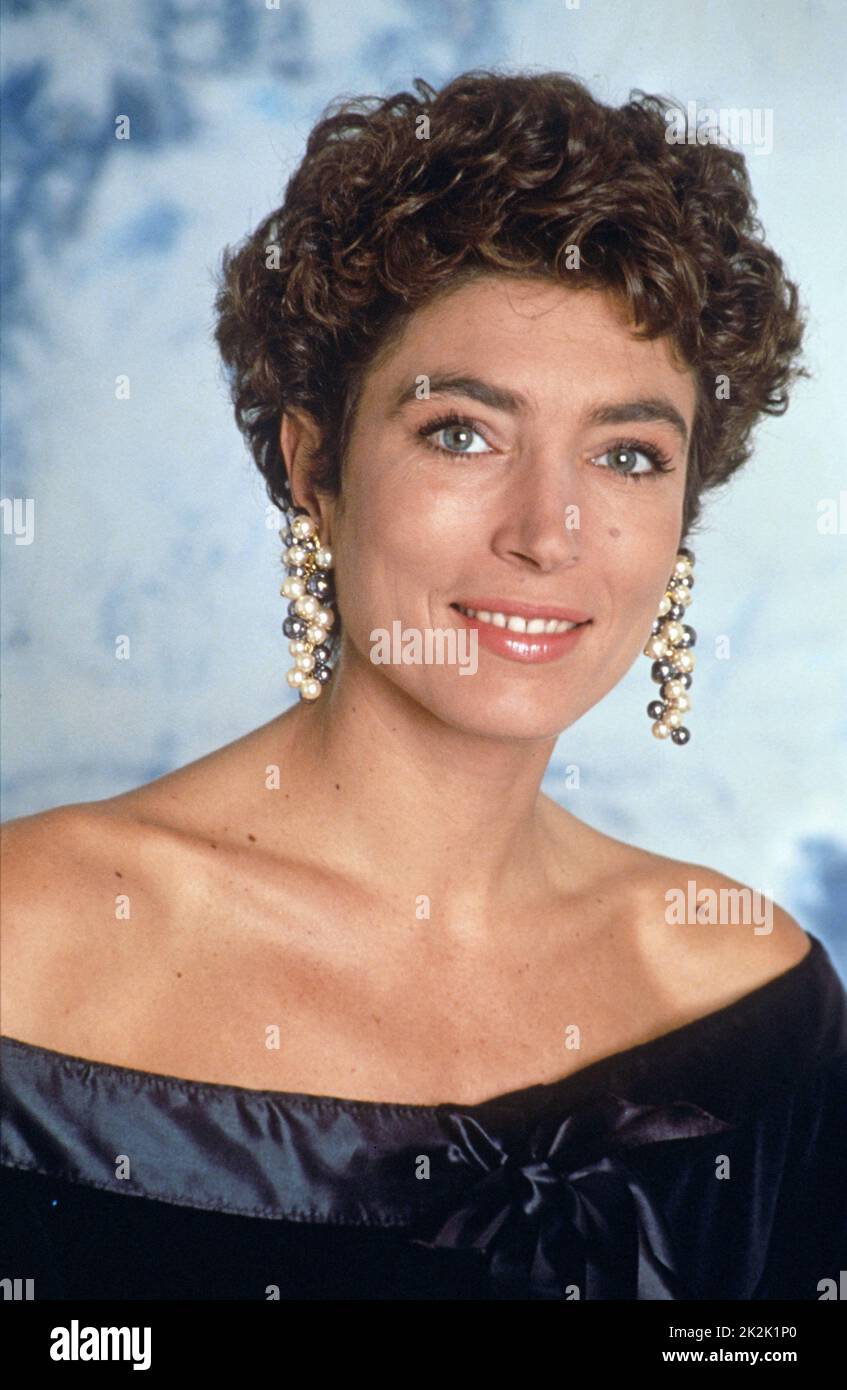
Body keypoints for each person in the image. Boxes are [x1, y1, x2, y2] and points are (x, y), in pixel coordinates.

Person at [2, 70, 844, 1301]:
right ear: (314, 465)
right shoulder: (26, 945)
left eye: (625, 454)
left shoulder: (751, 1004)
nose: (548, 533)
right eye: (463, 430)